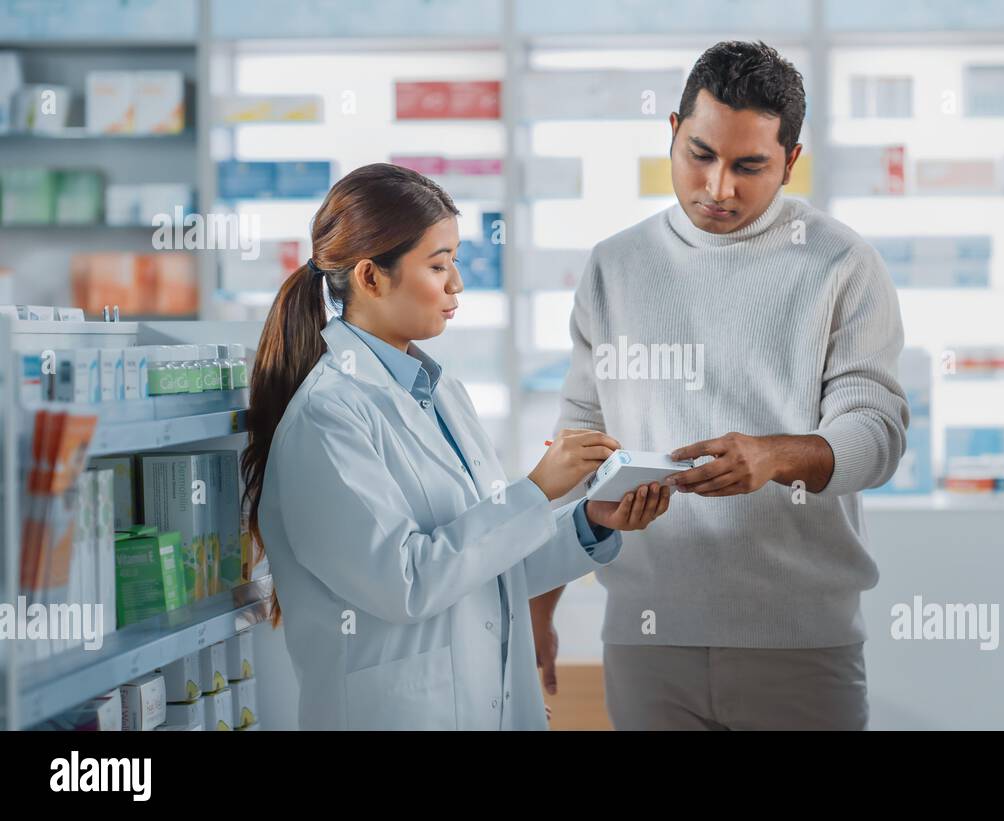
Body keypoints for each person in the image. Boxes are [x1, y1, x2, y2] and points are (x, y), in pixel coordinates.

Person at [533, 41, 910, 730]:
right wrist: (541, 600)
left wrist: (775, 456)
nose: (718, 188)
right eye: (700, 155)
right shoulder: (614, 266)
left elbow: (875, 434)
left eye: (749, 166)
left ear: (792, 161)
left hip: (801, 645)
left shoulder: (841, 264)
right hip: (648, 637)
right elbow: (576, 443)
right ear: (672, 132)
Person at [243, 163, 671, 730]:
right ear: (371, 277)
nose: (457, 285)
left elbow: (485, 563)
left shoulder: (443, 396)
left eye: (457, 262)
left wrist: (590, 520)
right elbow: (406, 583)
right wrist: (538, 489)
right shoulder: (327, 418)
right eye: (438, 264)